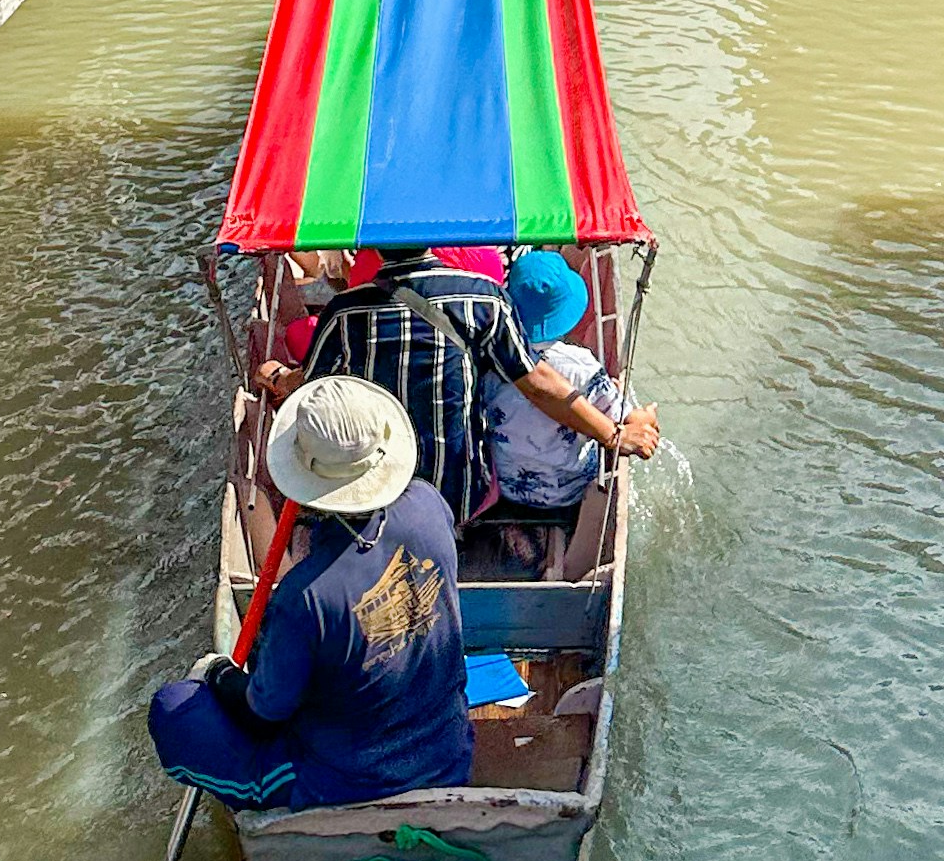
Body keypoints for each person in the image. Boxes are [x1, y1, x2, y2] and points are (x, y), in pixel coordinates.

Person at [144, 378, 472, 811]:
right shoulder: (429, 503)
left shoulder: (304, 596)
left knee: (174, 708)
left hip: (347, 785)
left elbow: (264, 716)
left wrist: (219, 675)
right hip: (449, 754)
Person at [258, 241, 659, 523]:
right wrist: (613, 435)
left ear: (371, 246)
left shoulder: (345, 311)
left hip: (374, 495)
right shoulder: (484, 299)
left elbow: (310, 389)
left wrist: (274, 375)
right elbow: (538, 383)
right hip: (464, 496)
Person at [484, 251, 625, 513]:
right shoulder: (580, 365)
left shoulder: (490, 355)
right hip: (566, 490)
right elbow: (621, 417)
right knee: (612, 391)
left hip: (503, 483)